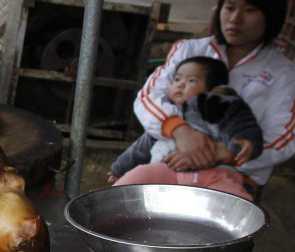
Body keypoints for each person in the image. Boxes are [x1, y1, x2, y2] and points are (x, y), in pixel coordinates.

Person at [118, 0, 295, 252]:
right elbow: (149, 98)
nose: (235, 18)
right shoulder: (188, 50)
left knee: (224, 235)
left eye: (250, 10)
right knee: (125, 198)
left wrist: (221, 152)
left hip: (232, 174)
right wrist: (181, 132)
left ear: (271, 16)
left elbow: (283, 137)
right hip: (172, 162)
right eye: (230, 7)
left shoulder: (284, 73)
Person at [109, 56, 263, 198]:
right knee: (130, 184)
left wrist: (248, 141)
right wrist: (120, 169)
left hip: (215, 173)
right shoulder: (168, 114)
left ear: (214, 88)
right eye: (177, 79)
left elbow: (243, 125)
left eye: (192, 80)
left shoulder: (222, 106)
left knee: (232, 202)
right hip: (165, 170)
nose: (181, 84)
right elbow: (142, 146)